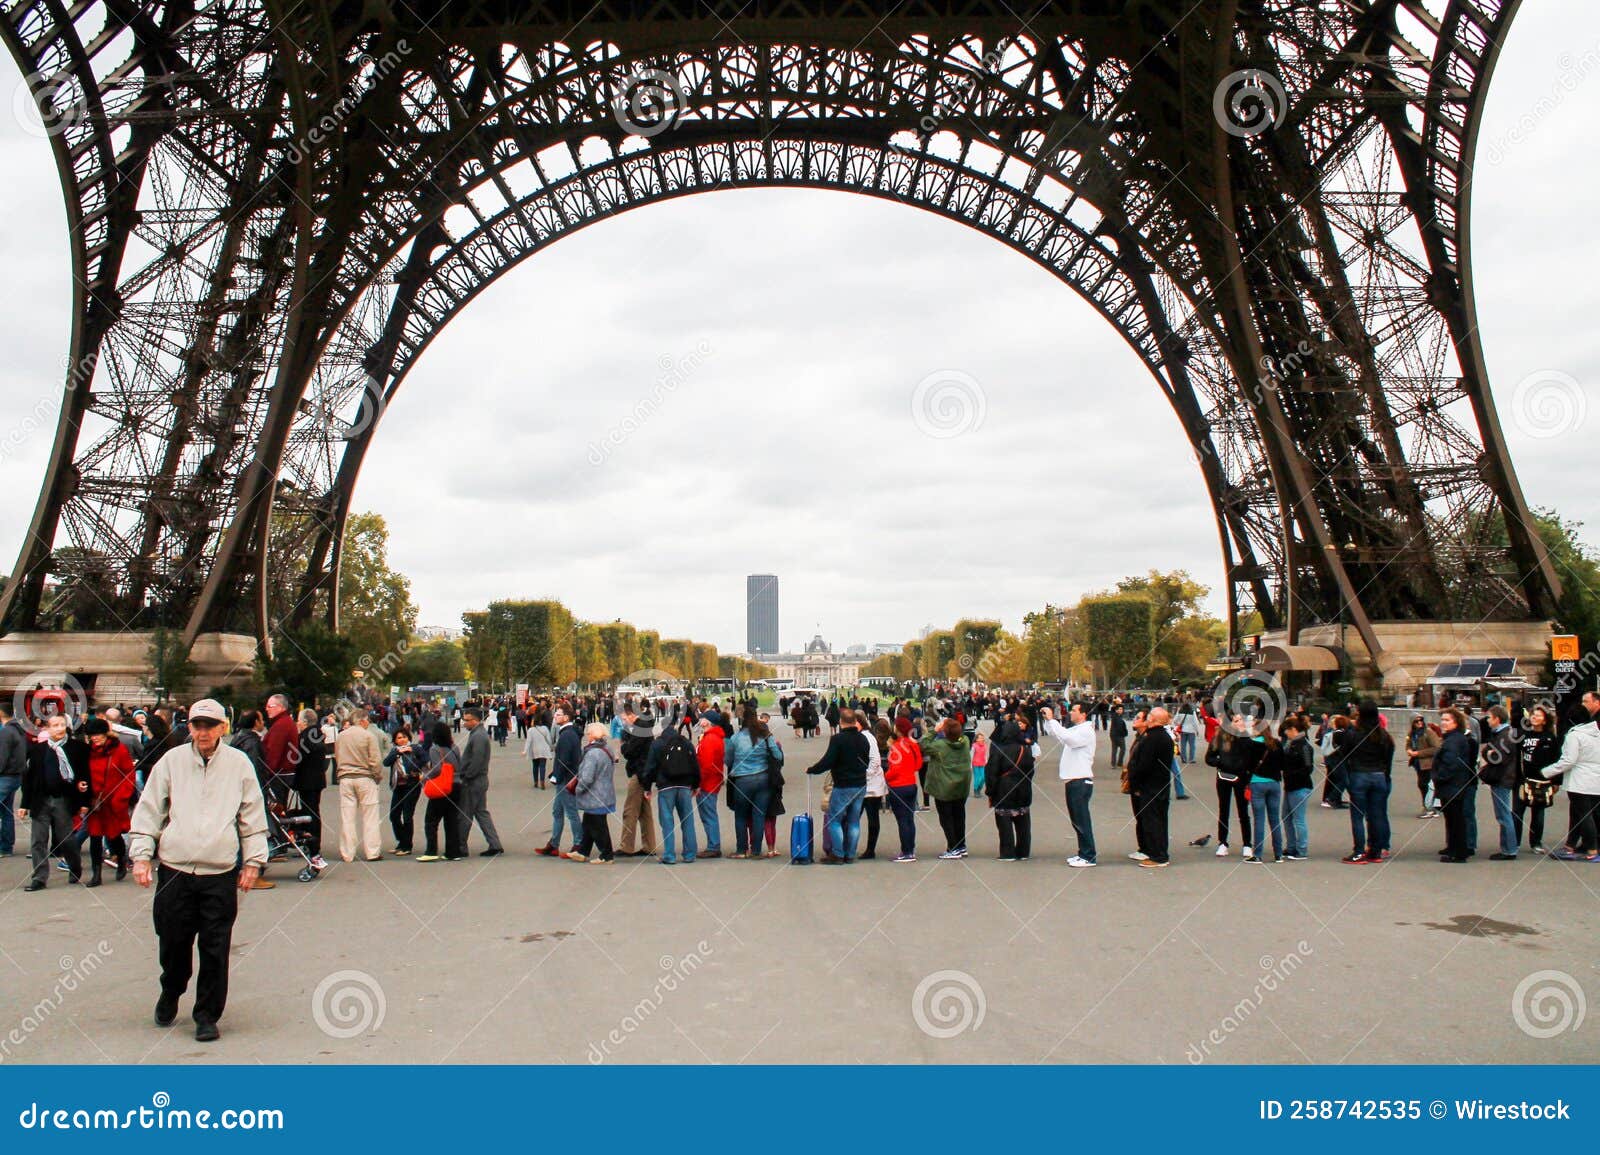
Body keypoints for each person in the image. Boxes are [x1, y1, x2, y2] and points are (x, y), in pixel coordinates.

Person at [128, 698, 268, 1042]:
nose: (203, 732)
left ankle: (206, 1014)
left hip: (218, 872)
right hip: (176, 870)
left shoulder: (238, 764)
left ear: (223, 727)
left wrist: (253, 861)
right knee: (173, 943)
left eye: (210, 725)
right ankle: (172, 989)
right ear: (188, 727)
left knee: (215, 947)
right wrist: (142, 855)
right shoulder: (172, 761)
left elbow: (252, 815)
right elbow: (149, 810)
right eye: (197, 725)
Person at [19, 713, 90, 890]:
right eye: (54, 725)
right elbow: (29, 779)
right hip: (41, 800)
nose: (58, 728)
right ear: (47, 729)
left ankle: (75, 867)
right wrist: (24, 804)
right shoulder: (38, 750)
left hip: (64, 800)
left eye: (61, 725)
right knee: (38, 840)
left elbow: (85, 775)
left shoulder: (77, 748)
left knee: (66, 839)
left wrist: (84, 802)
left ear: (66, 726)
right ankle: (40, 878)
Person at [1537, 690, 1600, 860]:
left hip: (1579, 781)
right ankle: (1571, 846)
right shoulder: (1596, 733)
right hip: (1595, 780)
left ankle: (1592, 850)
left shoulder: (1575, 735)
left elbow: (1568, 760)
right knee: (1583, 814)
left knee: (1583, 815)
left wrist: (1546, 771)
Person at [806, 708, 870, 864]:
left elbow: (828, 761)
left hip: (843, 784)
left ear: (841, 722)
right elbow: (866, 761)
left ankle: (838, 853)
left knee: (834, 820)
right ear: (855, 722)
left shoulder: (838, 739)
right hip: (860, 784)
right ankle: (850, 853)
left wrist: (812, 769)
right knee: (854, 821)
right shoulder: (863, 739)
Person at [1040, 702, 1096, 867]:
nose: (1070, 713)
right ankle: (1083, 853)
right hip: (1073, 780)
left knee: (1082, 820)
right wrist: (1049, 721)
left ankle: (1089, 855)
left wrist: (1053, 719)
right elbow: (1059, 735)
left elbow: (1068, 739)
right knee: (1077, 820)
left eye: (1073, 710)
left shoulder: (1086, 730)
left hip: (1080, 780)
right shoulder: (1077, 729)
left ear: (1083, 714)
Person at [82, 717, 136, 886]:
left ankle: (121, 860)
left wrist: (121, 798)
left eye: (98, 734)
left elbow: (129, 775)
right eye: (91, 735)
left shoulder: (119, 750)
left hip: (113, 800)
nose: (95, 738)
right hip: (94, 802)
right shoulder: (87, 751)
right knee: (95, 838)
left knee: (114, 836)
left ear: (106, 733)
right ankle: (96, 875)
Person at [1340, 702, 1395, 864]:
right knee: (1376, 814)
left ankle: (1358, 851)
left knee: (1357, 815)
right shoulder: (1384, 735)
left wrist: (1348, 776)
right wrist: (1385, 775)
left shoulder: (1353, 734)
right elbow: (1388, 758)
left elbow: (1344, 756)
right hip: (1379, 775)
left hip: (1359, 774)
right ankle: (1375, 851)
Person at [725, 709, 781, 859]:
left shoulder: (735, 738)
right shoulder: (765, 736)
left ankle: (741, 850)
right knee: (759, 815)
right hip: (763, 778)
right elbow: (777, 755)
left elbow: (728, 760)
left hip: (742, 780)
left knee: (741, 815)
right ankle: (756, 850)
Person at [1205, 717, 1261, 858]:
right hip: (1223, 777)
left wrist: (1243, 735)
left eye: (1241, 720)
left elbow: (1253, 758)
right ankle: (1223, 843)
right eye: (1236, 721)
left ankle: (1247, 844)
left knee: (1243, 812)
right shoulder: (1219, 738)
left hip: (1241, 778)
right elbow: (1209, 758)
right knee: (1223, 810)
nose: (1240, 723)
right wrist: (1221, 762)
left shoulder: (1246, 739)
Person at [645, 721, 700, 865]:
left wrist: (647, 787)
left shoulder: (657, 744)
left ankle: (669, 855)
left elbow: (650, 767)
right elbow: (695, 764)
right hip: (684, 785)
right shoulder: (686, 742)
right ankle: (690, 853)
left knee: (667, 821)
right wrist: (696, 784)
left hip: (665, 786)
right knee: (687, 820)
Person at [334, 709, 384, 863]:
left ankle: (347, 853)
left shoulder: (341, 736)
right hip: (365, 778)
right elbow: (375, 760)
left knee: (347, 816)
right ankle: (372, 852)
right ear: (362, 721)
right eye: (367, 720)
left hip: (345, 778)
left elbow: (337, 756)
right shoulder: (369, 736)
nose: (368, 722)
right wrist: (377, 776)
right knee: (370, 815)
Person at [1127, 706, 1174, 867]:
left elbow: (1144, 765)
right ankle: (1157, 852)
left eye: (1150, 716)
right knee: (1157, 820)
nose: (1147, 718)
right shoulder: (1162, 736)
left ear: (1153, 719)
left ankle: (1158, 856)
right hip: (1159, 785)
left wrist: (1135, 782)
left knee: (1153, 821)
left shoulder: (1153, 738)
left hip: (1151, 786)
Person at [920, 717, 972, 859]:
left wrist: (934, 730)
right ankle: (961, 846)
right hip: (961, 786)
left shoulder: (940, 746)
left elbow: (923, 744)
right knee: (959, 816)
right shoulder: (965, 741)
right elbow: (960, 736)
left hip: (944, 787)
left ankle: (953, 847)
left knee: (946, 818)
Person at [455, 707, 504, 857]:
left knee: (465, 814)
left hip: (474, 780)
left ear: (475, 720)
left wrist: (467, 776)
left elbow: (477, 760)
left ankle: (460, 846)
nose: (464, 723)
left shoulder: (478, 736)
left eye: (467, 720)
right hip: (478, 780)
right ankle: (495, 844)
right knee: (481, 812)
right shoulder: (478, 734)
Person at [984, 716, 1034, 861]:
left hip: (1004, 789)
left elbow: (991, 773)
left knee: (1004, 822)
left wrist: (990, 792)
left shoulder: (999, 750)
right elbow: (1031, 771)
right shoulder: (1025, 749)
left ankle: (1007, 852)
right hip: (1023, 788)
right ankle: (1023, 851)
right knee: (1023, 821)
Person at [567, 723, 618, 863]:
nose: (587, 735)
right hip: (605, 792)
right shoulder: (607, 748)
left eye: (589, 733)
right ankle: (583, 851)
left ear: (594, 735)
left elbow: (587, 777)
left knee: (598, 826)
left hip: (595, 795)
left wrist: (578, 789)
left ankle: (606, 856)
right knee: (589, 822)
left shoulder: (592, 753)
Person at [536, 707, 584, 856]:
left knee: (571, 812)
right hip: (566, 777)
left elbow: (564, 759)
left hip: (566, 779)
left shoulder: (566, 735)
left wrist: (556, 775)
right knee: (558, 811)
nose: (555, 716)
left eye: (558, 714)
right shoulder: (570, 733)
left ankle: (578, 844)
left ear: (567, 717)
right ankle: (554, 843)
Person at [1433, 707, 1478, 863]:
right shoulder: (1454, 738)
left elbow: (1451, 763)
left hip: (1452, 786)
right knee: (1454, 819)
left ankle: (1458, 852)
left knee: (1455, 820)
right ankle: (1455, 849)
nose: (1443, 723)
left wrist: (1439, 777)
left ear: (1456, 722)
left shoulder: (1454, 740)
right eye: (1443, 719)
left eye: (1447, 720)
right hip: (1455, 785)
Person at [1515, 704, 1560, 854]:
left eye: (1539, 715)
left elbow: (1556, 760)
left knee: (1538, 815)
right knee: (1517, 812)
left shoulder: (1550, 738)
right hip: (1523, 780)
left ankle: (1536, 843)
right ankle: (1514, 842)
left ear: (1545, 720)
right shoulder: (1523, 735)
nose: (1535, 717)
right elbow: (1516, 757)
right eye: (1533, 714)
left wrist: (1556, 782)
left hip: (1542, 782)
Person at [417, 721, 465, 862]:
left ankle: (431, 851)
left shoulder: (435, 749)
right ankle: (453, 852)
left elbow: (437, 769)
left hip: (442, 786)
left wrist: (425, 776)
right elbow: (459, 765)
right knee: (451, 821)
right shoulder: (454, 747)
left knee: (431, 820)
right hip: (456, 785)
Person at [617, 708, 659, 858]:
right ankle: (649, 845)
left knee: (630, 810)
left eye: (624, 718)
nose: (623, 721)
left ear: (631, 715)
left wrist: (623, 745)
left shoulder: (639, 729)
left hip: (639, 772)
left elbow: (629, 751)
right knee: (644, 811)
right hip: (645, 772)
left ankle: (626, 846)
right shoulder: (644, 728)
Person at [1481, 704, 1522, 861]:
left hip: (1501, 778)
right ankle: (1507, 847)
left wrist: (1488, 752)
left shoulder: (1505, 735)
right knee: (1503, 815)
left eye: (1489, 718)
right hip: (1503, 777)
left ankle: (1509, 849)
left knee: (1504, 815)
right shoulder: (1503, 733)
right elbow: (1488, 752)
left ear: (1497, 719)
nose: (1487, 721)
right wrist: (1488, 752)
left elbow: (1496, 757)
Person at [293, 708, 328, 871]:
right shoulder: (319, 735)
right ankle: (314, 842)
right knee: (314, 812)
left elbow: (297, 760)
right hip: (317, 780)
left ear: (305, 722)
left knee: (309, 813)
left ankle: (312, 843)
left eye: (299, 720)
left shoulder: (304, 738)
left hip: (306, 781)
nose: (297, 723)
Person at [384, 726, 427, 856]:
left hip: (412, 784)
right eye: (399, 738)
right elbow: (386, 763)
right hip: (398, 786)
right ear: (395, 740)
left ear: (408, 738)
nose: (402, 740)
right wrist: (397, 752)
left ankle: (407, 846)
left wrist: (412, 750)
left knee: (408, 816)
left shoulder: (416, 748)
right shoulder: (394, 751)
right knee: (394, 815)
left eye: (404, 737)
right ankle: (401, 842)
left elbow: (426, 760)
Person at [885, 716, 922, 862]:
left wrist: (884, 776)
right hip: (911, 783)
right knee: (909, 818)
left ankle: (906, 851)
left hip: (898, 786)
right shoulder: (912, 744)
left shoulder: (897, 746)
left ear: (898, 729)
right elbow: (918, 764)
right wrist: (909, 769)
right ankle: (910, 849)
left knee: (902, 820)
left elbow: (894, 769)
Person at [1247, 723, 1284, 864]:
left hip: (1257, 782)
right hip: (1274, 783)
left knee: (1259, 820)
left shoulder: (1252, 744)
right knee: (1275, 820)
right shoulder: (1277, 744)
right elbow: (1282, 764)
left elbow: (1247, 764)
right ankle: (1278, 854)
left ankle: (1257, 854)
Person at [1280, 717, 1315, 860]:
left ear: (1294, 730)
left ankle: (1301, 850)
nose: (1286, 734)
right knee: (1287, 817)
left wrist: (1289, 773)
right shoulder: (1293, 744)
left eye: (1287, 731)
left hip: (1299, 786)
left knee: (1298, 819)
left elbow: (1308, 768)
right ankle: (1292, 847)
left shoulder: (1303, 746)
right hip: (1292, 785)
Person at [0, 702, 29, 857]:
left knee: (5, 812)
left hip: (5, 775)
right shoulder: (18, 729)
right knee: (6, 812)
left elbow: (2, 756)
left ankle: (5, 847)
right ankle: (6, 847)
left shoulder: (6, 732)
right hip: (16, 775)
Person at [695, 716, 725, 858]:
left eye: (702, 718)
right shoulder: (715, 737)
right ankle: (713, 844)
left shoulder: (709, 739)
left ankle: (713, 846)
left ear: (707, 722)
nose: (700, 720)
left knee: (708, 815)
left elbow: (706, 765)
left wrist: (698, 784)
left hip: (707, 783)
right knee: (709, 814)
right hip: (713, 780)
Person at [863, 717, 891, 859]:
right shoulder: (890, 742)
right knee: (873, 818)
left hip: (866, 782)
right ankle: (870, 848)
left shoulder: (870, 741)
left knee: (855, 817)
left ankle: (849, 847)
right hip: (878, 782)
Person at [1405, 714, 1441, 818]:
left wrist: (1418, 753)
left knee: (1427, 786)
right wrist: (1409, 750)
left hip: (1428, 764)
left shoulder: (1428, 732)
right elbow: (1408, 744)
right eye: (1417, 721)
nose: (1420, 723)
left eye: (1421, 720)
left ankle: (1430, 808)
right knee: (1422, 785)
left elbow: (1436, 748)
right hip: (1418, 764)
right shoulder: (1411, 733)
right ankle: (1429, 806)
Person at [523, 709, 554, 789]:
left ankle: (535, 782)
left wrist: (525, 750)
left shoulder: (531, 730)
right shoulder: (545, 729)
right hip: (544, 750)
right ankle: (542, 782)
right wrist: (551, 747)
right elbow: (549, 740)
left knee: (535, 766)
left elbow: (528, 741)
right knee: (543, 766)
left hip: (534, 750)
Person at [1108, 704, 1128, 769]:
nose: (1121, 710)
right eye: (1119, 709)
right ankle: (1119, 762)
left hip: (1113, 735)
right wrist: (1124, 733)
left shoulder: (1116, 716)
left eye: (1122, 709)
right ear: (1116, 710)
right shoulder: (1117, 717)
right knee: (1123, 749)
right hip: (1118, 735)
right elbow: (1119, 727)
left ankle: (1113, 764)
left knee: (1114, 749)